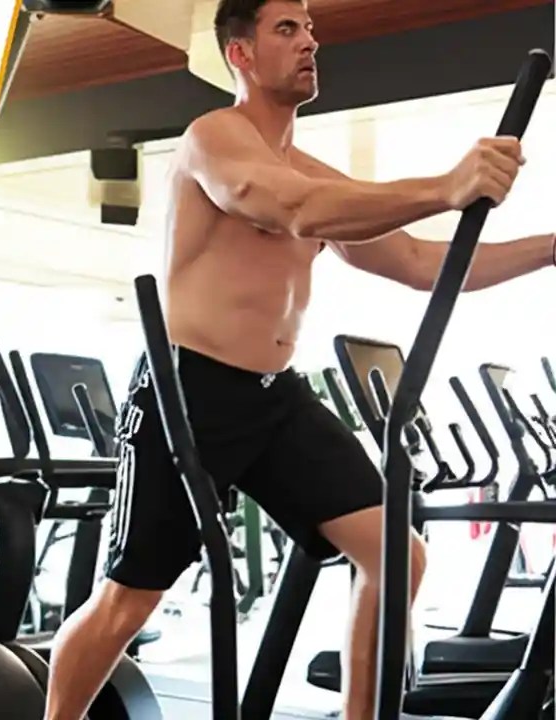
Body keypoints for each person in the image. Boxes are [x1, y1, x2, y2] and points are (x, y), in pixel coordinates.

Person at [43, 1, 553, 719]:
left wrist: (551, 246)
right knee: (130, 599)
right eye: (287, 28)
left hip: (275, 398)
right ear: (240, 54)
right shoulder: (213, 139)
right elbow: (289, 208)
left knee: (396, 558)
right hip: (188, 393)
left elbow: (416, 260)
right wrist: (446, 185)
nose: (310, 40)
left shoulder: (312, 169)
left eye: (311, 28)